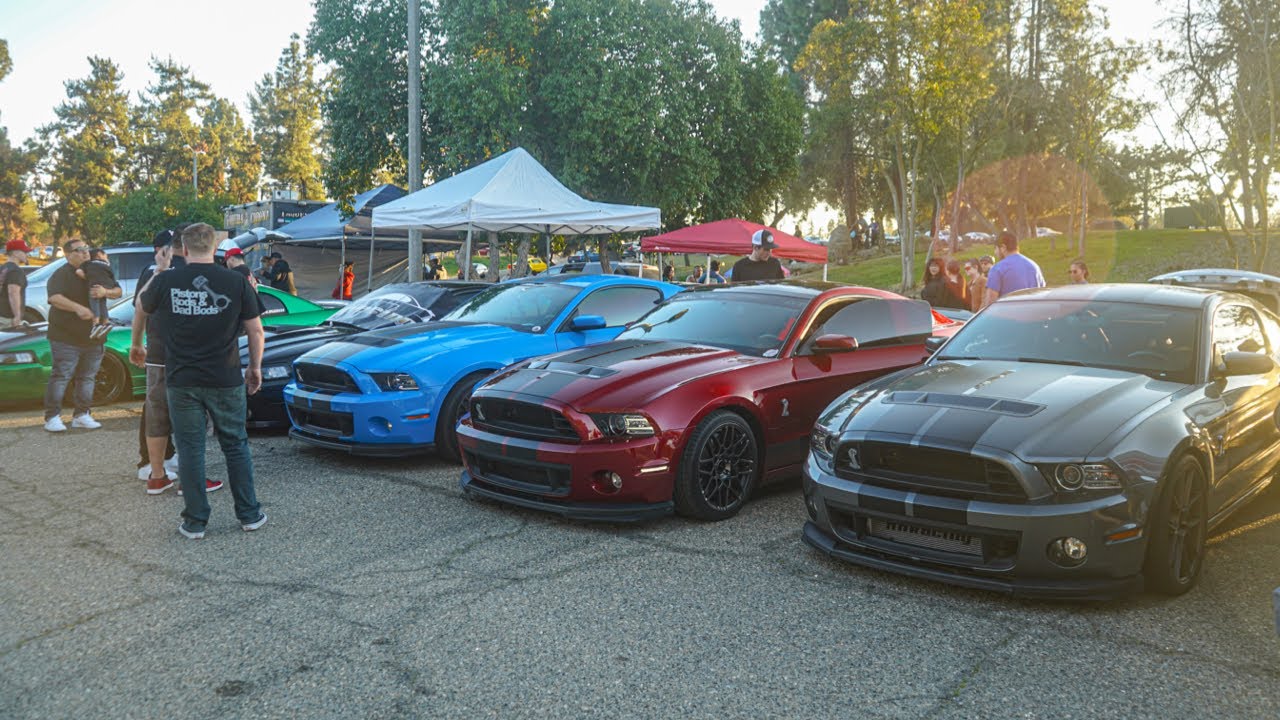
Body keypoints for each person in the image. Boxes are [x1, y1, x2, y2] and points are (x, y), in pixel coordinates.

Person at [136, 223, 266, 539]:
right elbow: (256, 330)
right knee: (235, 445)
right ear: (215, 246)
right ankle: (249, 515)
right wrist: (255, 368)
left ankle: (195, 522)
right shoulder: (236, 281)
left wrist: (161, 269)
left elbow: (141, 305)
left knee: (190, 448)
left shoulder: (166, 280)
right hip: (225, 377)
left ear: (182, 248)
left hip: (182, 380)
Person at [43, 239, 123, 432]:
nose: (85, 252)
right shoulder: (62, 274)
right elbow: (54, 298)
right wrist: (78, 308)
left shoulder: (97, 268)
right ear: (68, 255)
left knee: (87, 377)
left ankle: (82, 415)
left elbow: (118, 291)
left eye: (86, 248)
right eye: (79, 250)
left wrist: (105, 291)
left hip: (94, 336)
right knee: (61, 376)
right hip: (65, 337)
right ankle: (52, 417)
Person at [983, 232, 1045, 308]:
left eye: (995, 248)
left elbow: (990, 304)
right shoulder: (1034, 266)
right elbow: (1043, 294)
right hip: (1033, 313)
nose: (995, 253)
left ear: (1003, 247)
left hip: (1008, 314)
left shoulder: (997, 268)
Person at [77, 248, 119, 339]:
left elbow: (78, 272)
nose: (107, 258)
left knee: (94, 303)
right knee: (103, 303)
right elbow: (112, 277)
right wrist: (107, 288)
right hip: (106, 286)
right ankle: (106, 322)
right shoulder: (107, 265)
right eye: (106, 256)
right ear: (99, 255)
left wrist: (89, 278)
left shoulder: (87, 263)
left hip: (94, 285)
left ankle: (96, 324)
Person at [1, 239, 32, 329]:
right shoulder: (16, 271)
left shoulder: (2, 268)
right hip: (8, 319)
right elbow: (13, 293)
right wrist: (17, 316)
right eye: (25, 252)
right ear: (16, 253)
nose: (27, 255)